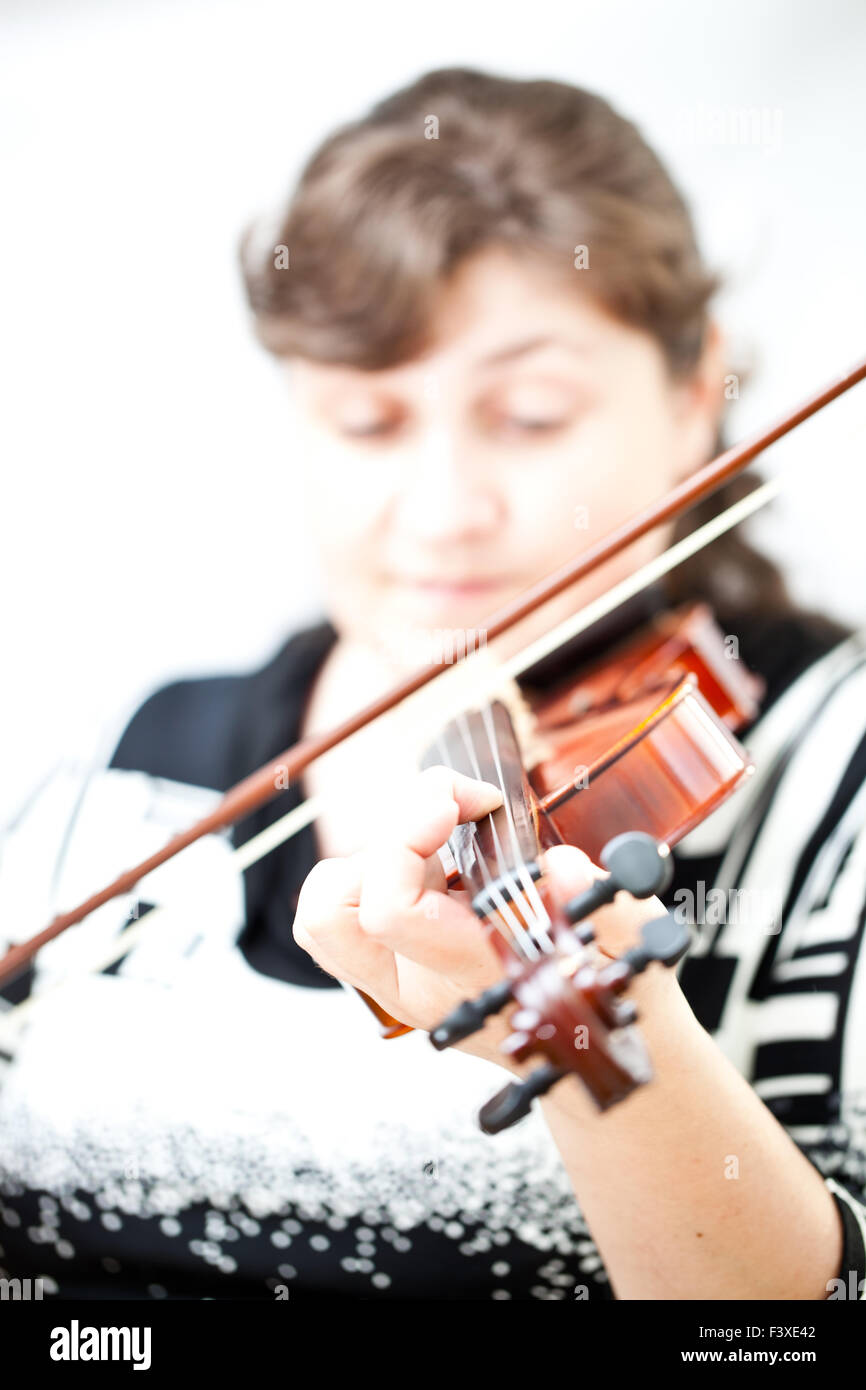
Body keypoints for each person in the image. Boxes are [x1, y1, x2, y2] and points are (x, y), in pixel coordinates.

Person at [1, 67, 864, 1302]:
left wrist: (612, 1047)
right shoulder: (141, 758)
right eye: (366, 423)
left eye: (528, 414)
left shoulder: (836, 772)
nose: (446, 512)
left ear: (692, 395)